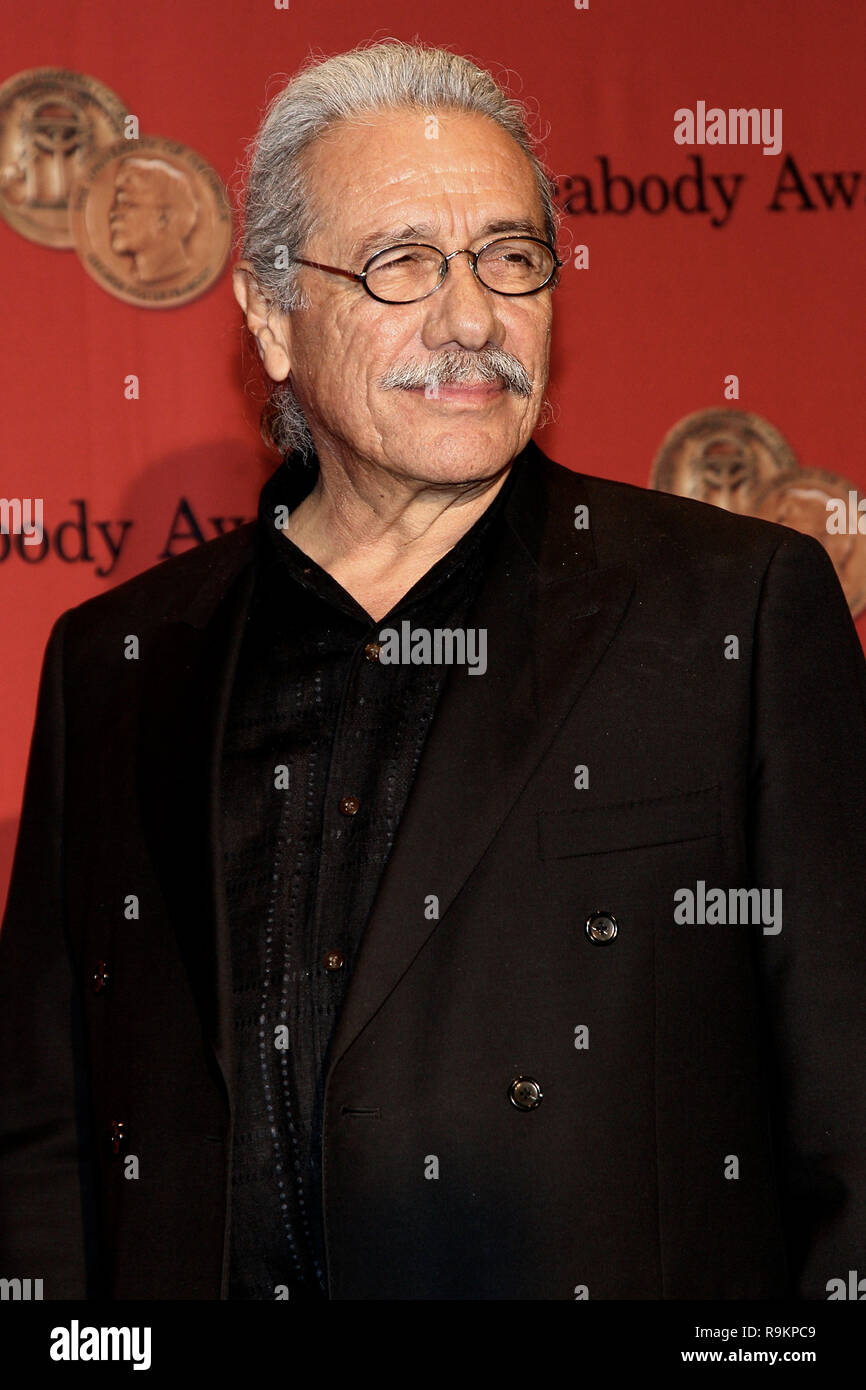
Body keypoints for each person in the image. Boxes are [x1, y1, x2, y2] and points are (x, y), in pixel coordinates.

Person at [1, 39, 864, 1302]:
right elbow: (46, 1127)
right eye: (401, 264)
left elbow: (849, 1099)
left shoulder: (729, 610)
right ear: (268, 315)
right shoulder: (116, 665)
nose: (470, 319)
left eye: (510, 261)